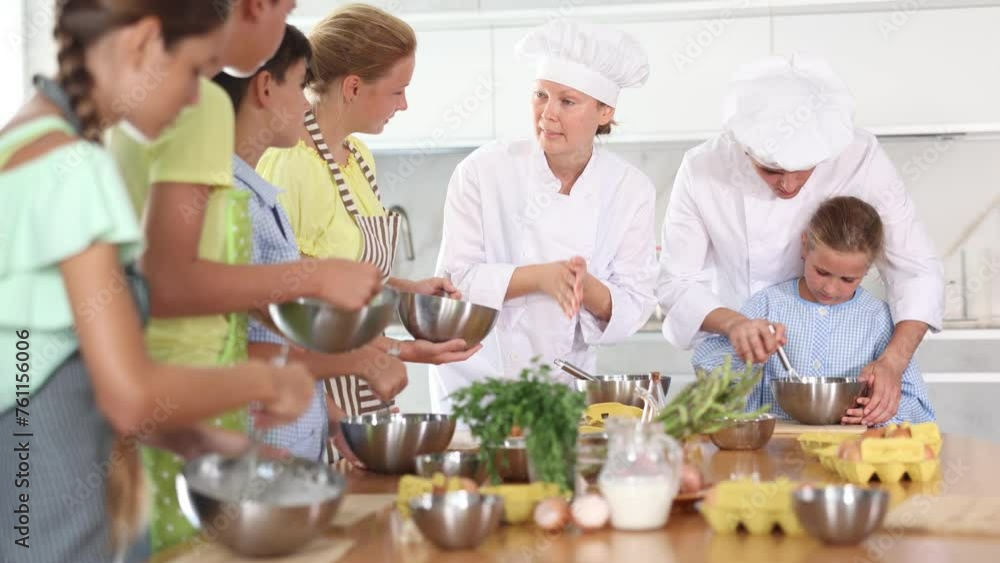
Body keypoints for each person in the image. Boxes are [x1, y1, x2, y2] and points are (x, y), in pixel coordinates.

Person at [0, 2, 315, 562]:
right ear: (143, 42)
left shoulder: (20, 150)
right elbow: (130, 395)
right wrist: (268, 384)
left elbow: (40, 366)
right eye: (194, 70)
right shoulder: (74, 170)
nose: (198, 98)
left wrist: (194, 438)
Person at [106, 0, 383, 553]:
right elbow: (170, 284)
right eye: (286, 8)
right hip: (176, 402)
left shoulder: (151, 108)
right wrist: (313, 279)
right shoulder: (197, 104)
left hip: (179, 415)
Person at [657, 53, 944, 426]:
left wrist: (892, 363)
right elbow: (675, 282)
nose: (788, 186)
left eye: (803, 170)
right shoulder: (703, 168)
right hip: (739, 366)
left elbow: (916, 269)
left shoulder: (860, 157)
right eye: (770, 170)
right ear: (743, 149)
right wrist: (734, 325)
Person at [257, 4, 481, 418]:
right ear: (354, 88)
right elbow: (289, 294)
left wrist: (404, 290)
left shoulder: (358, 156)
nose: (405, 105)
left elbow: (343, 271)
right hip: (313, 382)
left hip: (361, 376)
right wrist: (395, 349)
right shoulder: (291, 161)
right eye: (398, 91)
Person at [432, 19, 659, 412]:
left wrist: (582, 286)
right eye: (540, 95)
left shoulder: (630, 190)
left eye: (567, 101)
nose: (547, 114)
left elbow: (635, 302)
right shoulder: (484, 170)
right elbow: (455, 282)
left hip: (565, 384)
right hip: (479, 380)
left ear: (605, 111)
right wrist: (541, 277)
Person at [213, 24, 409, 463]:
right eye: (301, 85)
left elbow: (273, 329)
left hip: (300, 434)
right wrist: (363, 360)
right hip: (259, 453)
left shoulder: (262, 199)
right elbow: (238, 348)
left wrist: (331, 414)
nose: (306, 101)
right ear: (265, 88)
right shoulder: (231, 201)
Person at [692, 197, 936, 425]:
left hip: (849, 456)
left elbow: (919, 410)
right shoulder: (767, 305)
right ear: (805, 245)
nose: (830, 288)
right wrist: (746, 354)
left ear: (868, 269)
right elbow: (712, 382)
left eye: (848, 279)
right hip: (776, 454)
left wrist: (880, 412)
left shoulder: (879, 320)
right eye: (821, 272)